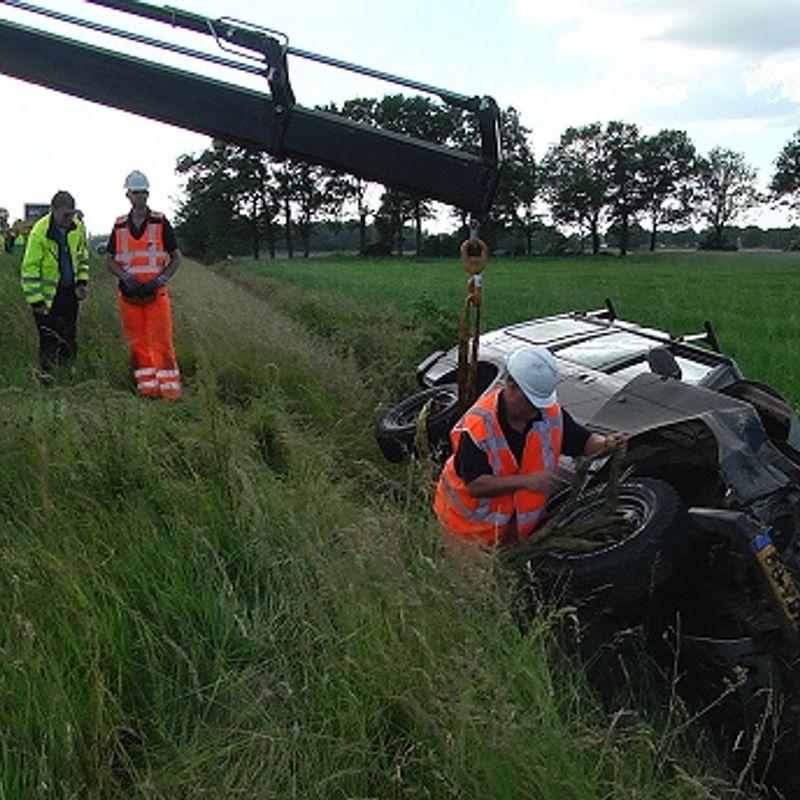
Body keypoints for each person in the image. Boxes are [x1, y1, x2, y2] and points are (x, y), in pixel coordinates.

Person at [434, 345, 626, 548]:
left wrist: (607, 444)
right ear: (511, 385)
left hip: (512, 534)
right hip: (465, 530)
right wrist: (527, 481)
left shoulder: (549, 414)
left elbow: (584, 443)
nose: (535, 409)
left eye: (540, 403)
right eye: (530, 401)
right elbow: (476, 485)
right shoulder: (478, 426)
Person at [105, 170, 183, 400]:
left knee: (162, 343)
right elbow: (109, 259)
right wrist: (126, 278)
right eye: (136, 193)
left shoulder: (160, 221)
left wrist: (160, 280)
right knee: (138, 344)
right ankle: (147, 389)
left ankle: (170, 393)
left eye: (143, 193)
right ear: (128, 195)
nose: (140, 197)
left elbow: (176, 257)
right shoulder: (119, 225)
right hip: (129, 297)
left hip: (155, 294)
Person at [20, 190, 90, 373]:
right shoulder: (40, 232)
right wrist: (36, 301)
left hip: (70, 293)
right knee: (49, 340)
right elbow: (30, 269)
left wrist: (82, 282)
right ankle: (48, 381)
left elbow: (83, 257)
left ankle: (68, 376)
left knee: (69, 337)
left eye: (72, 214)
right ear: (53, 210)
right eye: (65, 215)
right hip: (47, 297)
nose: (69, 219)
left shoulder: (78, 228)